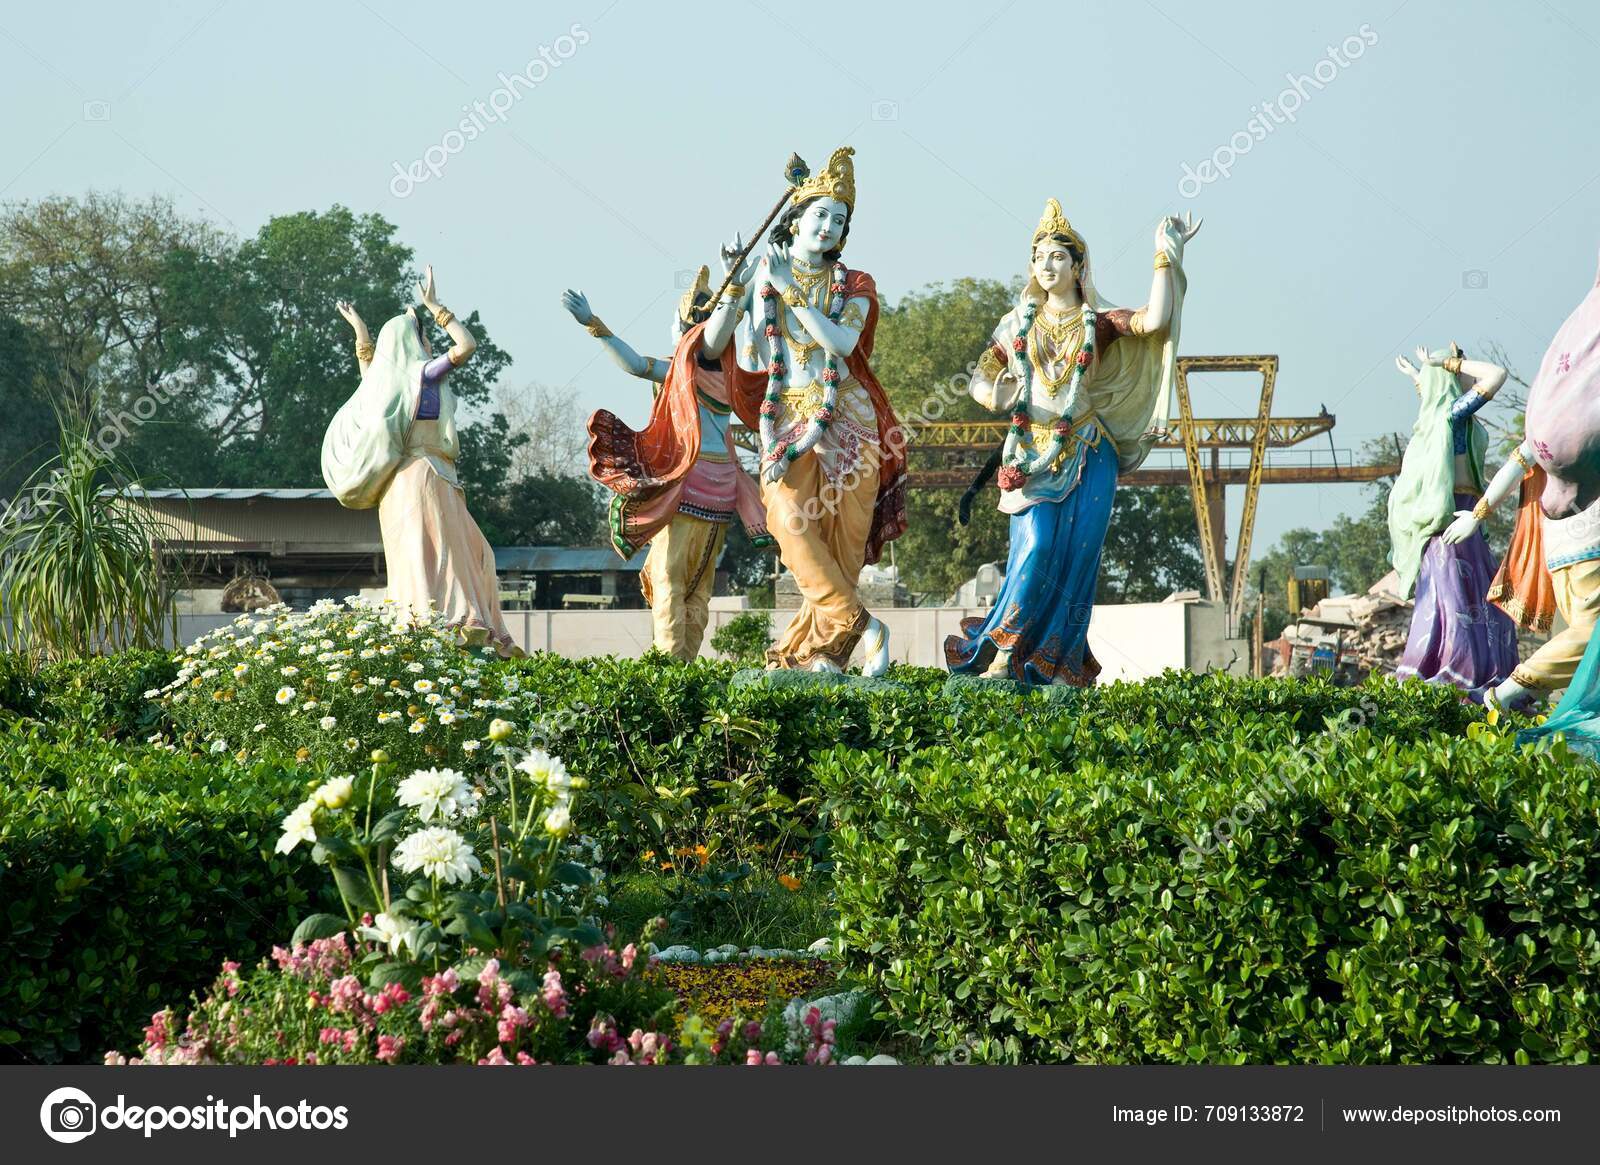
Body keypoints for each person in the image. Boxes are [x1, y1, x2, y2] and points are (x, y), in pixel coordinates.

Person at [944, 199, 1198, 685]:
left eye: (1058, 256)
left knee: (1079, 558)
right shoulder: (1018, 323)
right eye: (1039, 256)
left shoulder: (1097, 324)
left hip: (1088, 451)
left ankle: (1055, 659)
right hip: (1030, 455)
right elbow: (983, 373)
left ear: (1079, 267)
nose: (1047, 265)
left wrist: (1165, 254)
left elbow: (1155, 321)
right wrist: (991, 394)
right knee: (1035, 548)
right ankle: (1005, 648)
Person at [700, 146, 907, 675]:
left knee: (842, 542)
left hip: (850, 424)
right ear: (793, 221)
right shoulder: (764, 276)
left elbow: (839, 343)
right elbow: (719, 345)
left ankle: (824, 653)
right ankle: (863, 624)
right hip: (785, 419)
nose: (828, 227)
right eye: (820, 214)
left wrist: (791, 291)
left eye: (839, 221)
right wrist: (736, 283)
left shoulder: (856, 284)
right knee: (787, 519)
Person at [567, 270, 771, 660]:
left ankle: (670, 670)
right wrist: (737, 291)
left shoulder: (683, 371)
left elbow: (634, 365)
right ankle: (686, 664)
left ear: (685, 329)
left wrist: (595, 325)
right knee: (698, 586)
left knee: (668, 580)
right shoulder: (731, 381)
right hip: (723, 491)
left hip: (690, 484)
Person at [322, 266, 521, 657]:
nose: (429, 340)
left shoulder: (392, 385)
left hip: (417, 482)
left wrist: (362, 335)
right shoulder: (422, 375)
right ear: (412, 343)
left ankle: (436, 627)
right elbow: (466, 347)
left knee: (440, 554)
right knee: (439, 554)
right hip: (425, 478)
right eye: (424, 335)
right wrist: (436, 307)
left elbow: (369, 372)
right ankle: (450, 628)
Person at [1443, 247, 1600, 716]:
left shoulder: (1561, 391)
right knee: (1591, 635)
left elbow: (1521, 453)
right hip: (1575, 530)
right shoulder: (1450, 419)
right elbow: (1496, 382)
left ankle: (1532, 700)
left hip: (1551, 530)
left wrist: (1477, 515)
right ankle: (1502, 696)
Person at [1387, 344, 1518, 696]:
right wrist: (1440, 363)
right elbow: (1496, 375)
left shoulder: (1440, 420)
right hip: (1458, 517)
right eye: (1460, 369)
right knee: (1461, 601)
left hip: (1450, 519)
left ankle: (1453, 667)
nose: (1467, 373)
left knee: (1457, 599)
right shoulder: (1454, 416)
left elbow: (1434, 397)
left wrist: (1419, 376)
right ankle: (1463, 669)